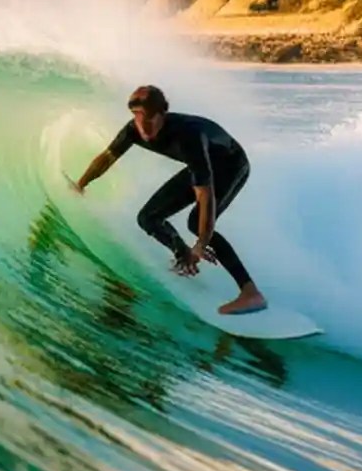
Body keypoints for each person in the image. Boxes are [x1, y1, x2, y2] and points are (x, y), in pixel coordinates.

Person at [71, 85, 267, 315]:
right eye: (137, 118)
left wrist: (202, 243)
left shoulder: (189, 136)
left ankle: (251, 292)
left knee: (196, 224)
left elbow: (205, 194)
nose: (143, 127)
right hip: (204, 165)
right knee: (148, 218)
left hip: (231, 164)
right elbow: (107, 157)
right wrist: (80, 185)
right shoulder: (134, 129)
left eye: (149, 120)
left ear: (162, 114)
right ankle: (184, 259)